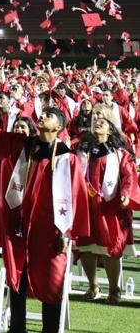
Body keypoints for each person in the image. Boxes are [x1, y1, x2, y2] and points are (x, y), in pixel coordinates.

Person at [0, 104, 90, 333]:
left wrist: (67, 233)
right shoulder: (23, 147)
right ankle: (17, 328)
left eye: (50, 115)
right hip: (21, 227)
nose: (42, 115)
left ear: (60, 126)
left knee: (51, 284)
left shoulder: (67, 159)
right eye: (43, 113)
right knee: (18, 279)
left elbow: (76, 197)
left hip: (51, 232)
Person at [72, 113, 136, 302]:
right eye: (96, 122)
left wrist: (126, 193)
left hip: (110, 206)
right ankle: (93, 286)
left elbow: (129, 176)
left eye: (103, 122)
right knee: (86, 247)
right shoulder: (83, 150)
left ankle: (114, 289)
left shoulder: (119, 153)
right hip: (86, 205)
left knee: (109, 248)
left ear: (110, 130)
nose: (98, 123)